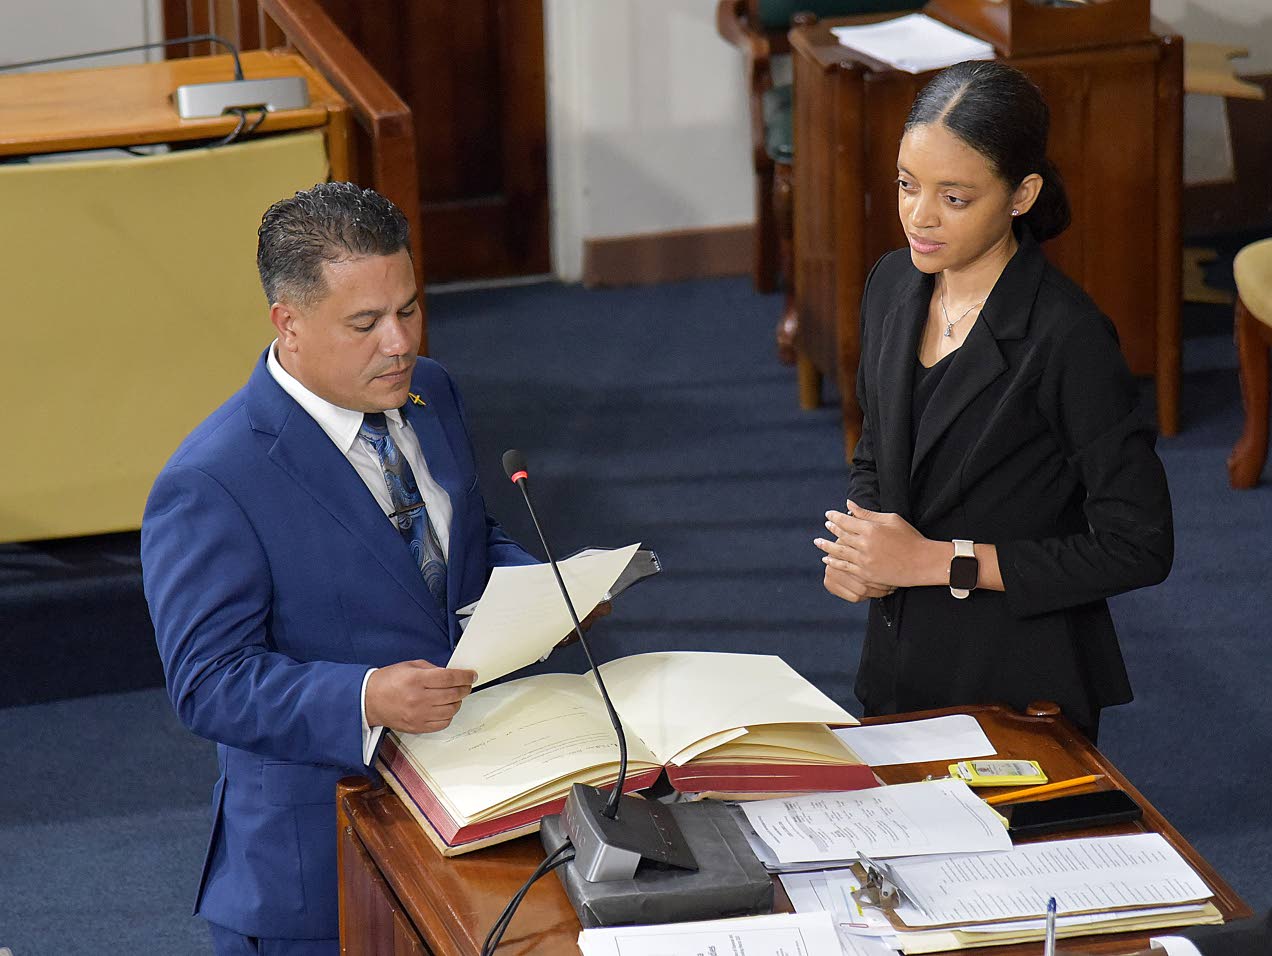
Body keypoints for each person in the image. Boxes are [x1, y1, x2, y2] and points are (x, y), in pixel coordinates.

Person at [142, 183, 545, 954]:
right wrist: (365, 697)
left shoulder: (432, 391)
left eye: (409, 309)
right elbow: (208, 683)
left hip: (475, 814)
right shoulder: (211, 481)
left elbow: (465, 540)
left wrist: (540, 589)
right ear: (288, 324)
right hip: (319, 866)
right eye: (365, 323)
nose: (399, 343)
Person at [813, 60, 1173, 740]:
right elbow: (877, 447)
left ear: (1021, 194)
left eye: (954, 198)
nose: (919, 216)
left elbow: (1139, 545)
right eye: (906, 184)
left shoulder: (1068, 336)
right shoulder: (891, 283)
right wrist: (863, 549)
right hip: (898, 662)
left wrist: (939, 561)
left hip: (1018, 682)